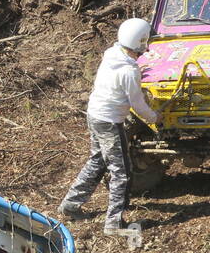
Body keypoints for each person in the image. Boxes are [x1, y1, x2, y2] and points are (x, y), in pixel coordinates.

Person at [59, 18, 158, 234]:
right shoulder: (129, 71)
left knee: (97, 160)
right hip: (110, 122)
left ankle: (70, 204)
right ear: (141, 42)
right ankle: (113, 222)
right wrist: (155, 118)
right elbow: (137, 103)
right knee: (121, 171)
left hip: (94, 115)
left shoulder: (112, 55)